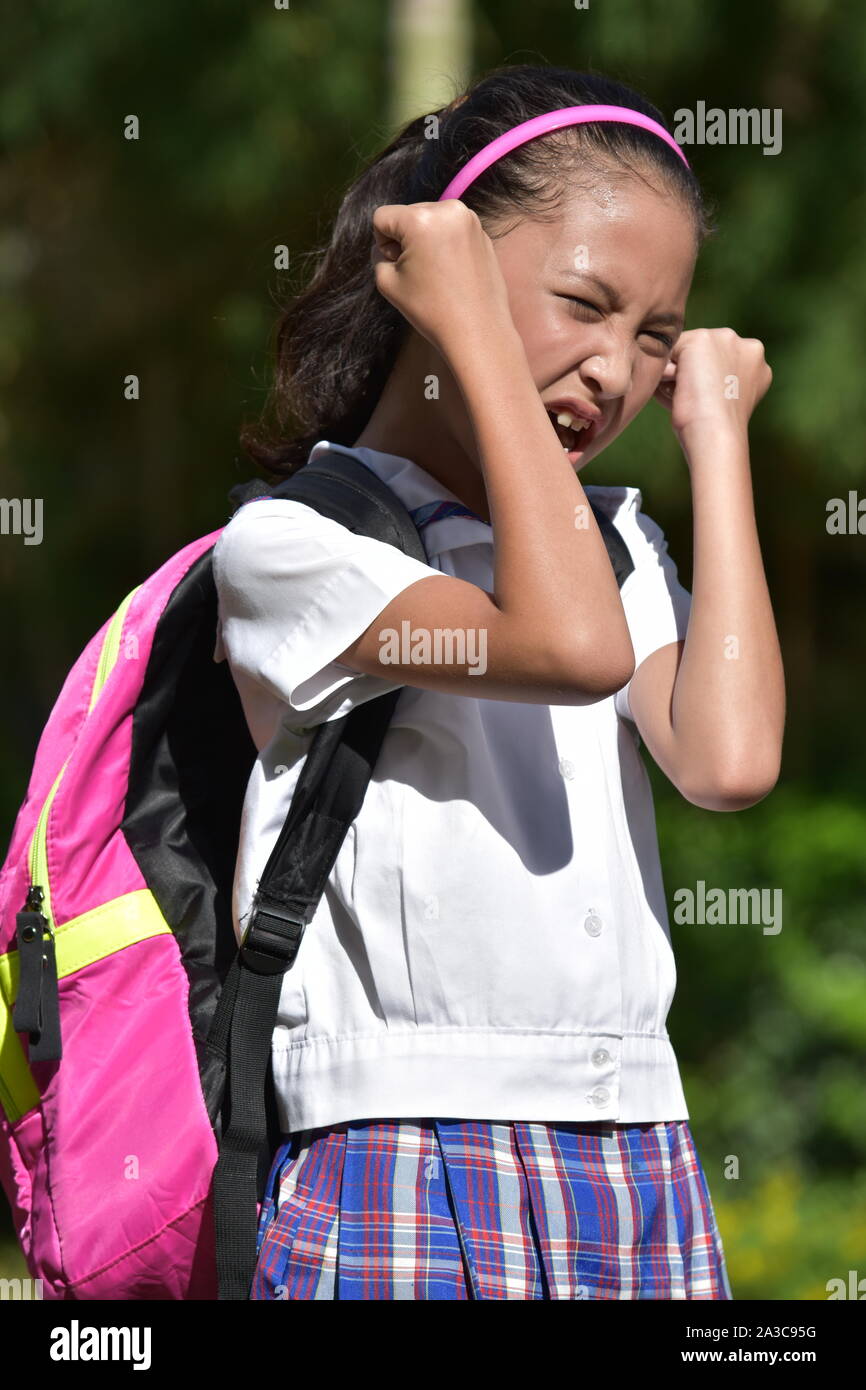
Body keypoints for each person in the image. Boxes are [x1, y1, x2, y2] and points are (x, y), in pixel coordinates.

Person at [212, 62, 784, 1300]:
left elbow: (726, 760)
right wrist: (466, 330)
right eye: (579, 303)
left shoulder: (609, 547)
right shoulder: (299, 551)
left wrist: (717, 446)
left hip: (637, 1140)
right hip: (405, 1147)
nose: (613, 371)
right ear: (443, 278)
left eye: (653, 338)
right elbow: (566, 649)